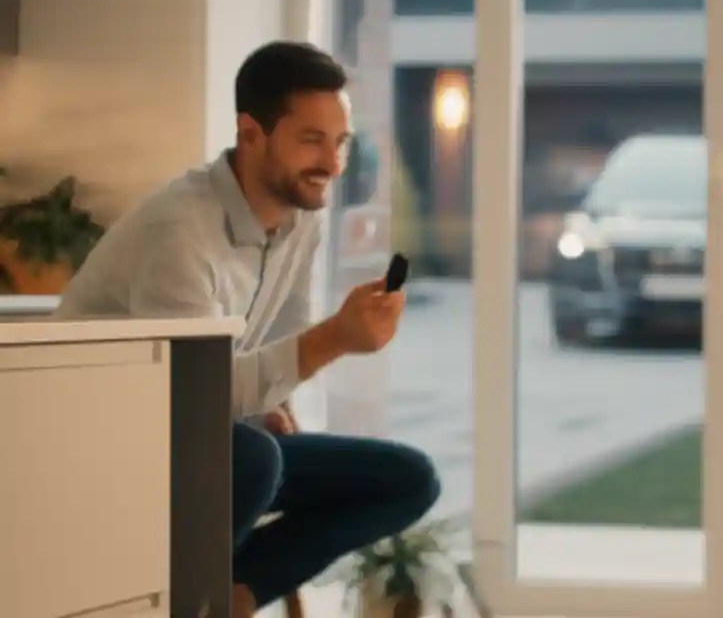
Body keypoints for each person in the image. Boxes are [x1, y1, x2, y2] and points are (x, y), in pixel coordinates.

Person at [55, 41, 441, 616]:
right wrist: (334, 339)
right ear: (251, 133)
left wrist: (270, 402)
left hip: (206, 440)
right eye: (311, 140)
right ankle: (188, 600)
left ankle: (234, 594)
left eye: (340, 143)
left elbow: (279, 332)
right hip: (112, 443)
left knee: (408, 479)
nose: (332, 165)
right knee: (255, 458)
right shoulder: (179, 233)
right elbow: (189, 400)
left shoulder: (299, 215)